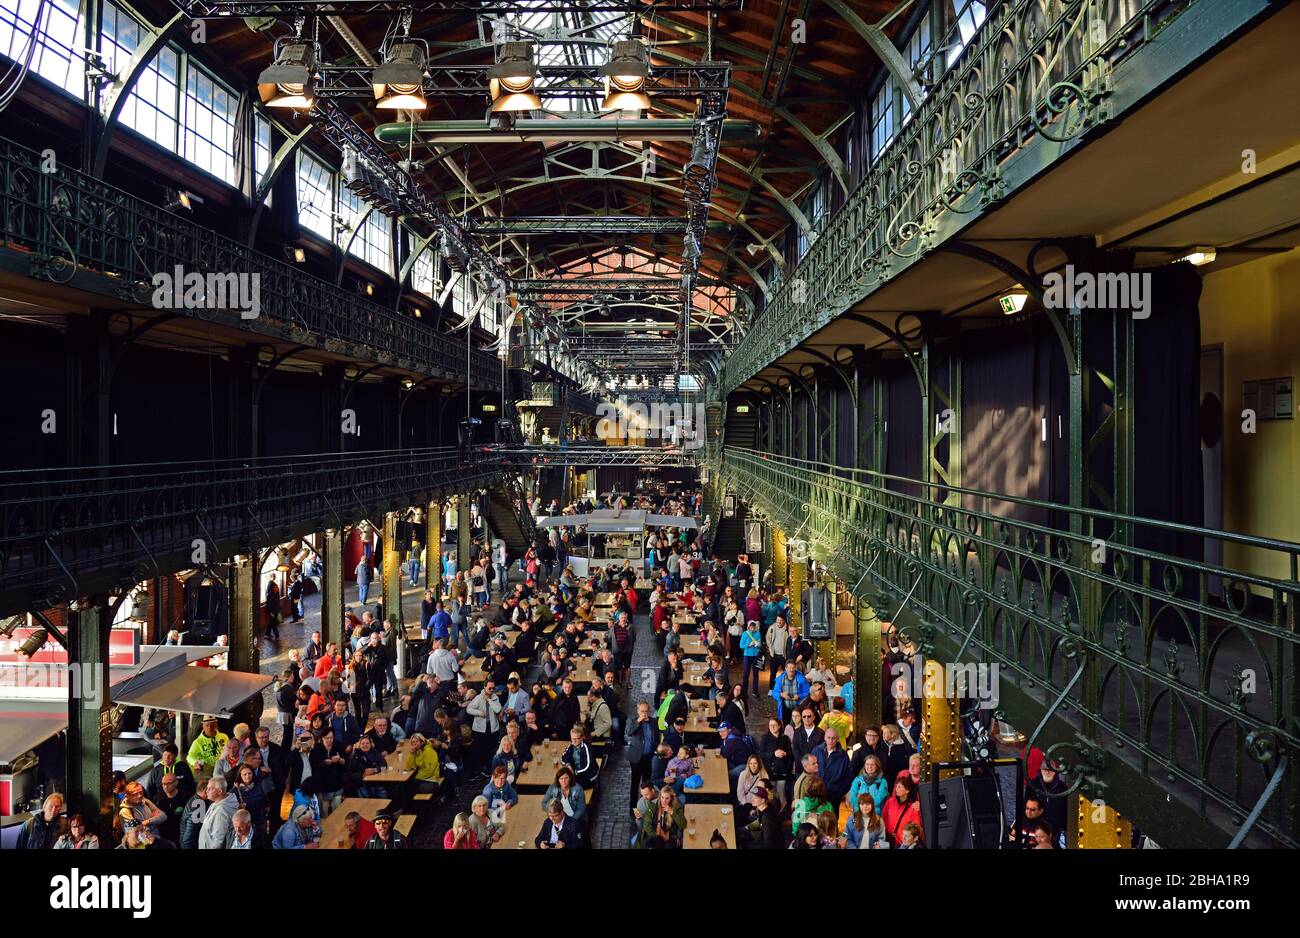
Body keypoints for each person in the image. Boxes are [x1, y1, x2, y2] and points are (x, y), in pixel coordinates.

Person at [198, 776, 239, 849]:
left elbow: (218, 841)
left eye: (210, 788)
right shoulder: (216, 802)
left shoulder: (221, 811)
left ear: (220, 791)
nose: (206, 791)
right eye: (207, 788)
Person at [882, 775, 922, 847]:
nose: (896, 789)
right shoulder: (890, 801)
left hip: (903, 844)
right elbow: (884, 817)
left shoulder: (913, 807)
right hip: (889, 841)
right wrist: (888, 830)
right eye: (896, 786)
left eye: (899, 787)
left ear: (907, 790)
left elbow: (915, 828)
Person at [770, 661, 809, 725]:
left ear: (795, 668)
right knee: (786, 725)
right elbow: (774, 692)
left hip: (798, 707)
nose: (791, 670)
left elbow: (807, 691)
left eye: (793, 668)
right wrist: (781, 694)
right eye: (789, 667)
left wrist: (799, 696)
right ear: (785, 668)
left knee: (798, 725)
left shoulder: (801, 679)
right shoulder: (780, 679)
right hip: (785, 706)